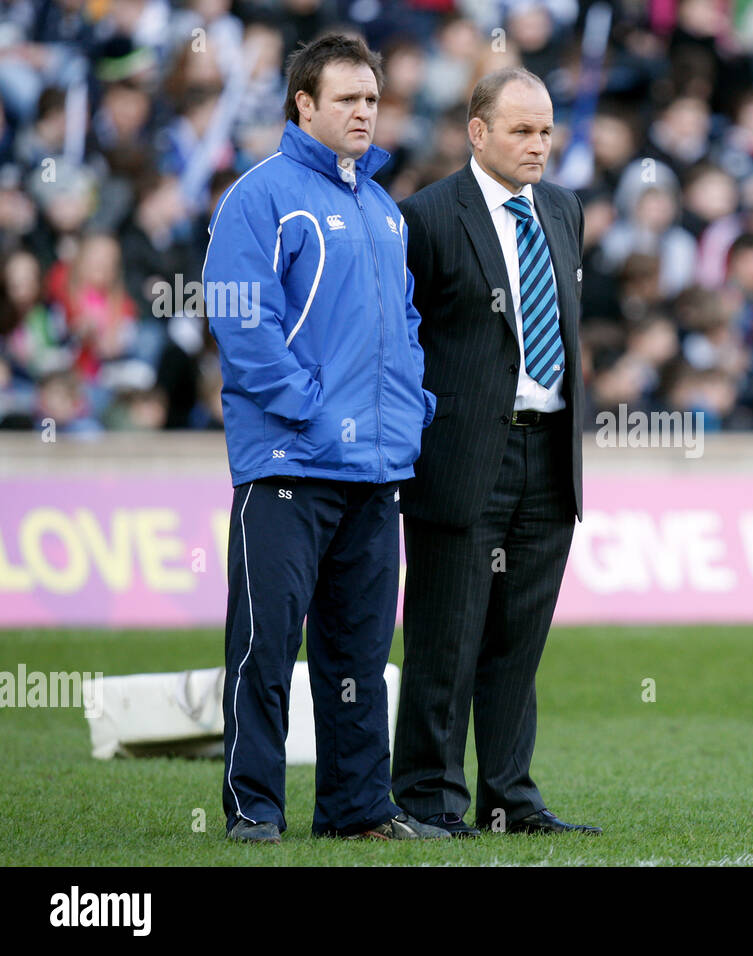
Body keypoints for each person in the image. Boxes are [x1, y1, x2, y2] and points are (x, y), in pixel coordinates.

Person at [203, 34, 445, 843]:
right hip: (288, 463)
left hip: (376, 469)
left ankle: (355, 812)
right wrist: (306, 406)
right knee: (265, 649)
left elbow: (406, 326)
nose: (364, 113)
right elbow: (242, 322)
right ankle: (254, 811)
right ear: (303, 104)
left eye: (372, 100)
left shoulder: (383, 209)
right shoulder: (257, 198)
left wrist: (413, 410)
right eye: (347, 99)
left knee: (358, 658)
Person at [394, 67, 598, 837]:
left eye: (545, 130)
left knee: (518, 642)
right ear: (477, 133)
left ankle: (510, 797)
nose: (538, 145)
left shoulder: (565, 210)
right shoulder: (426, 217)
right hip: (462, 458)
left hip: (547, 456)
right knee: (447, 635)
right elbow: (401, 343)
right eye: (521, 130)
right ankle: (427, 799)